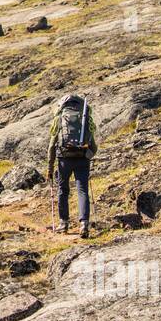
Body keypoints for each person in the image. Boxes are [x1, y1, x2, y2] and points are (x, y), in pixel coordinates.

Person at [48, 93, 97, 238]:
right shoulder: (86, 118)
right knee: (82, 190)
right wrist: (86, 155)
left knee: (63, 190)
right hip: (82, 159)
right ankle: (84, 223)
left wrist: (50, 169)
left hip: (64, 159)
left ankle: (63, 223)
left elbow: (51, 146)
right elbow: (93, 147)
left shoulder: (59, 118)